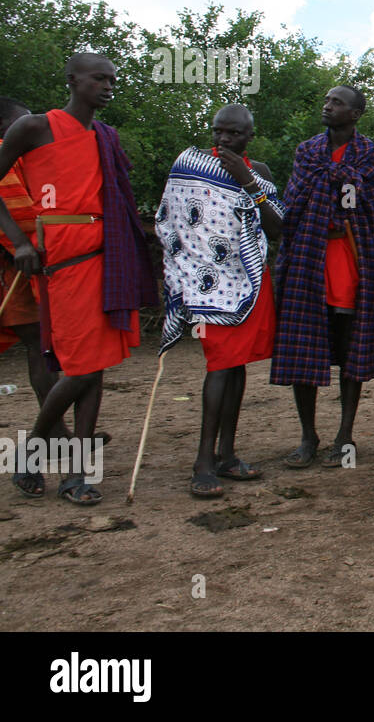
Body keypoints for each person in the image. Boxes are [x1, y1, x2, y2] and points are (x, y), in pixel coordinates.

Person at [0, 54, 156, 503]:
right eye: (98, 78)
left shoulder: (106, 136)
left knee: (94, 369)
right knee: (81, 367)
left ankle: (79, 473)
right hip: (61, 263)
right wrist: (20, 243)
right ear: (72, 80)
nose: (108, 86)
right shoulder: (34, 127)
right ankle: (33, 450)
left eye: (112, 79)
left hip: (107, 257)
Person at [156, 105, 282, 497]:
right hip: (208, 286)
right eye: (219, 132)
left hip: (249, 281)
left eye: (234, 134)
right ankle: (202, 462)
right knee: (220, 366)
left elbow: (277, 225)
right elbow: (172, 223)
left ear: (249, 135)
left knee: (237, 366)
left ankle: (227, 454)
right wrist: (186, 276)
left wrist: (247, 180)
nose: (224, 140)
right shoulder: (188, 166)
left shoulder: (257, 170)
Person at [273, 85, 374, 469]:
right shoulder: (307, 153)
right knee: (302, 351)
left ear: (355, 114)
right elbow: (293, 205)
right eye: (325, 100)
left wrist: (344, 213)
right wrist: (326, 214)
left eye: (336, 102)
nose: (327, 106)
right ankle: (308, 436)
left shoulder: (371, 156)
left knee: (350, 353)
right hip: (309, 265)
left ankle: (345, 436)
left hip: (355, 268)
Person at [0, 97, 60, 430]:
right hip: (15, 267)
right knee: (39, 343)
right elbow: (20, 216)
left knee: (41, 344)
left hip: (18, 264)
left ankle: (55, 428)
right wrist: (33, 250)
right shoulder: (4, 155)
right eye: (20, 123)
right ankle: (54, 430)